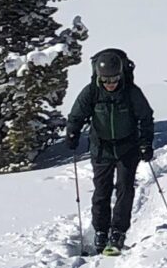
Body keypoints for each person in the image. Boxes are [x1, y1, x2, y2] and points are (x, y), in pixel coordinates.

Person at [64, 47, 153, 255]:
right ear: (99, 77)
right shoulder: (91, 92)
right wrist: (72, 134)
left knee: (125, 188)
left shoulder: (131, 92)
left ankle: (118, 231)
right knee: (101, 190)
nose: (110, 84)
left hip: (127, 147)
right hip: (101, 147)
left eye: (113, 79)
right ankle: (101, 231)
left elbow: (146, 118)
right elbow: (76, 115)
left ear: (120, 75)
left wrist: (146, 143)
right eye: (106, 80)